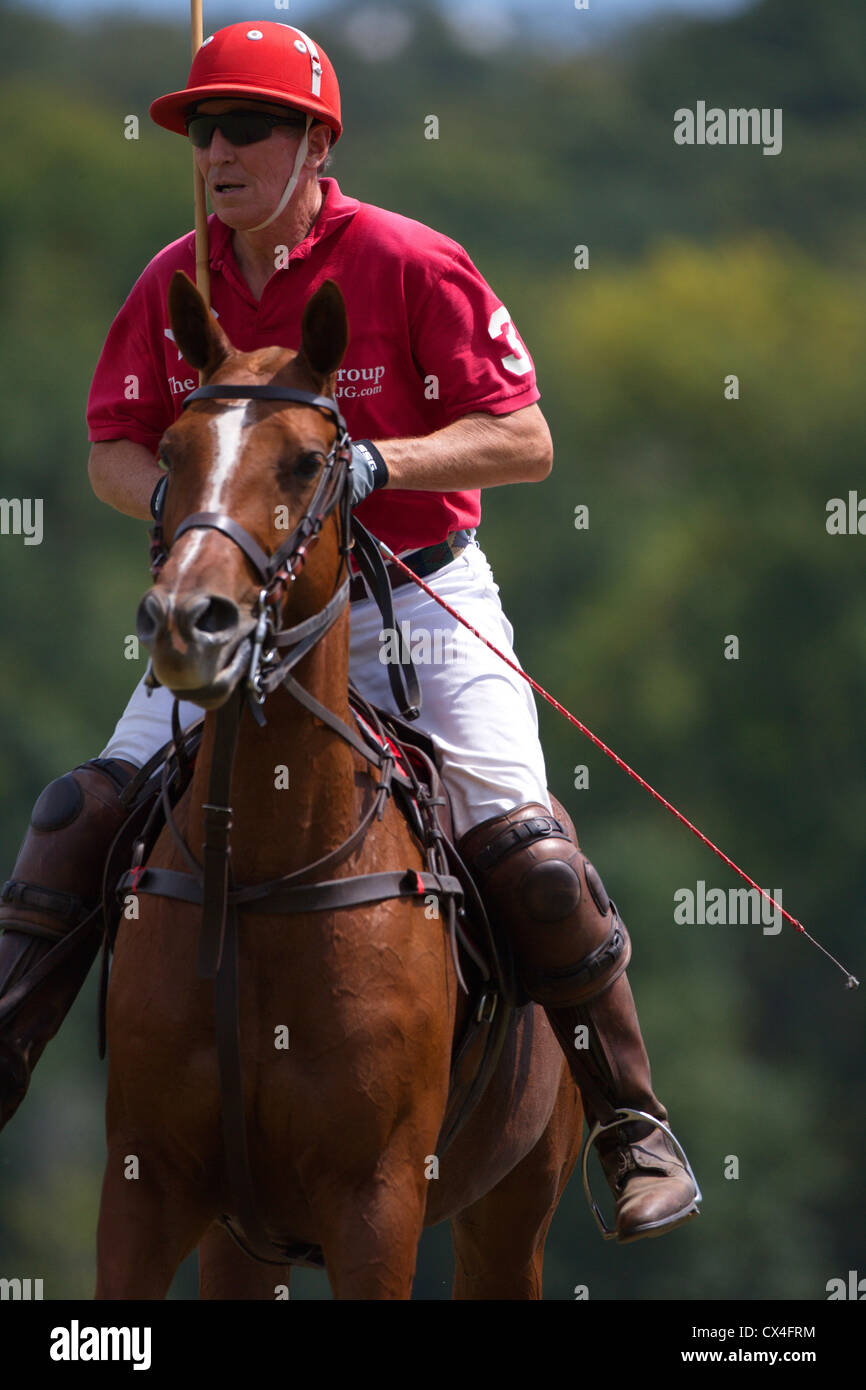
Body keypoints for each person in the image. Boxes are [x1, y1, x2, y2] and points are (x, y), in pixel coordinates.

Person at [0, 21, 698, 1244]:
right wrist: (197, 502)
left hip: (416, 601)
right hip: (239, 600)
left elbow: (524, 437)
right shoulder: (183, 279)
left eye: (245, 127)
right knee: (80, 810)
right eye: (202, 131)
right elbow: (115, 448)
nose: (217, 151)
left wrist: (379, 460)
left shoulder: (408, 259)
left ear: (314, 141)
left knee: (531, 857)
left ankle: (628, 1121)